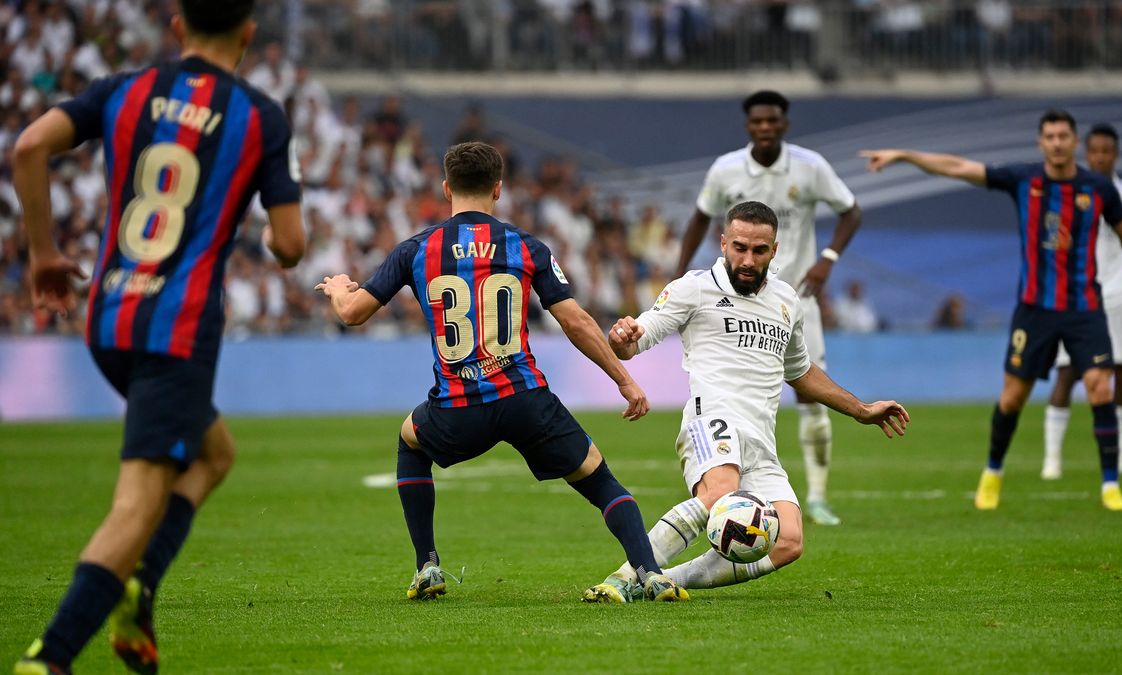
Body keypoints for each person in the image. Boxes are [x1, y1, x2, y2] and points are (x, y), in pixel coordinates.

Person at [13, 1, 307, 673]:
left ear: (177, 27)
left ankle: (140, 588)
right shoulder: (258, 115)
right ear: (249, 33)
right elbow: (290, 244)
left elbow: (29, 146)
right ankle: (49, 656)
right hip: (177, 329)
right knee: (139, 499)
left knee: (213, 453)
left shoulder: (126, 89)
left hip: (109, 317)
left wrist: (42, 254)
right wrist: (271, 237)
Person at [314, 141, 687, 604]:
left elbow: (351, 314)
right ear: (498, 189)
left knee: (409, 441)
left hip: (457, 407)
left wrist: (335, 289)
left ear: (447, 187)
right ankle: (651, 573)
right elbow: (575, 321)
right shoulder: (525, 246)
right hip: (525, 399)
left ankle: (427, 565)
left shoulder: (416, 249)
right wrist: (625, 380)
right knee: (599, 478)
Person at [584, 201, 908, 602]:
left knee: (788, 540)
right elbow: (639, 337)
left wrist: (861, 410)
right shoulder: (694, 288)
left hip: (760, 440)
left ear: (775, 250)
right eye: (739, 247)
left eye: (759, 250)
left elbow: (802, 374)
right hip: (712, 417)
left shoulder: (787, 302)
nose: (748, 259)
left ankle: (664, 580)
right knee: (720, 492)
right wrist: (623, 338)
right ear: (723, 243)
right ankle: (621, 578)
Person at [861, 108, 1122, 512]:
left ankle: (1111, 485)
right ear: (1041, 142)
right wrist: (904, 155)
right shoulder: (1024, 180)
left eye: (1064, 136)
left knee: (1100, 387)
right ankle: (992, 472)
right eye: (1050, 136)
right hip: (1035, 311)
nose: (1057, 143)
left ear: (1074, 141)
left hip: (1085, 308)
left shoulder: (1098, 189)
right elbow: (958, 167)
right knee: (1012, 399)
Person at [675, 90, 864, 527]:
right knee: (737, 396)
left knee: (810, 391)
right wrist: (680, 272)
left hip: (795, 301)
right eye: (757, 121)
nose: (765, 128)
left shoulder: (810, 166)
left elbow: (851, 211)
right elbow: (701, 217)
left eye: (772, 121)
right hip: (737, 302)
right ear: (748, 126)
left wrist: (827, 260)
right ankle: (730, 478)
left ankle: (817, 496)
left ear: (784, 124)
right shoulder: (725, 169)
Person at [1042, 124, 1122, 481]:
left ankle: (1120, 458)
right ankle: (1052, 461)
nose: (1101, 156)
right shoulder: (1070, 191)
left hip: (1120, 294)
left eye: (1107, 151)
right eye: (1095, 150)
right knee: (1067, 373)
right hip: (1079, 296)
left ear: (1115, 154)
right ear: (1084, 152)